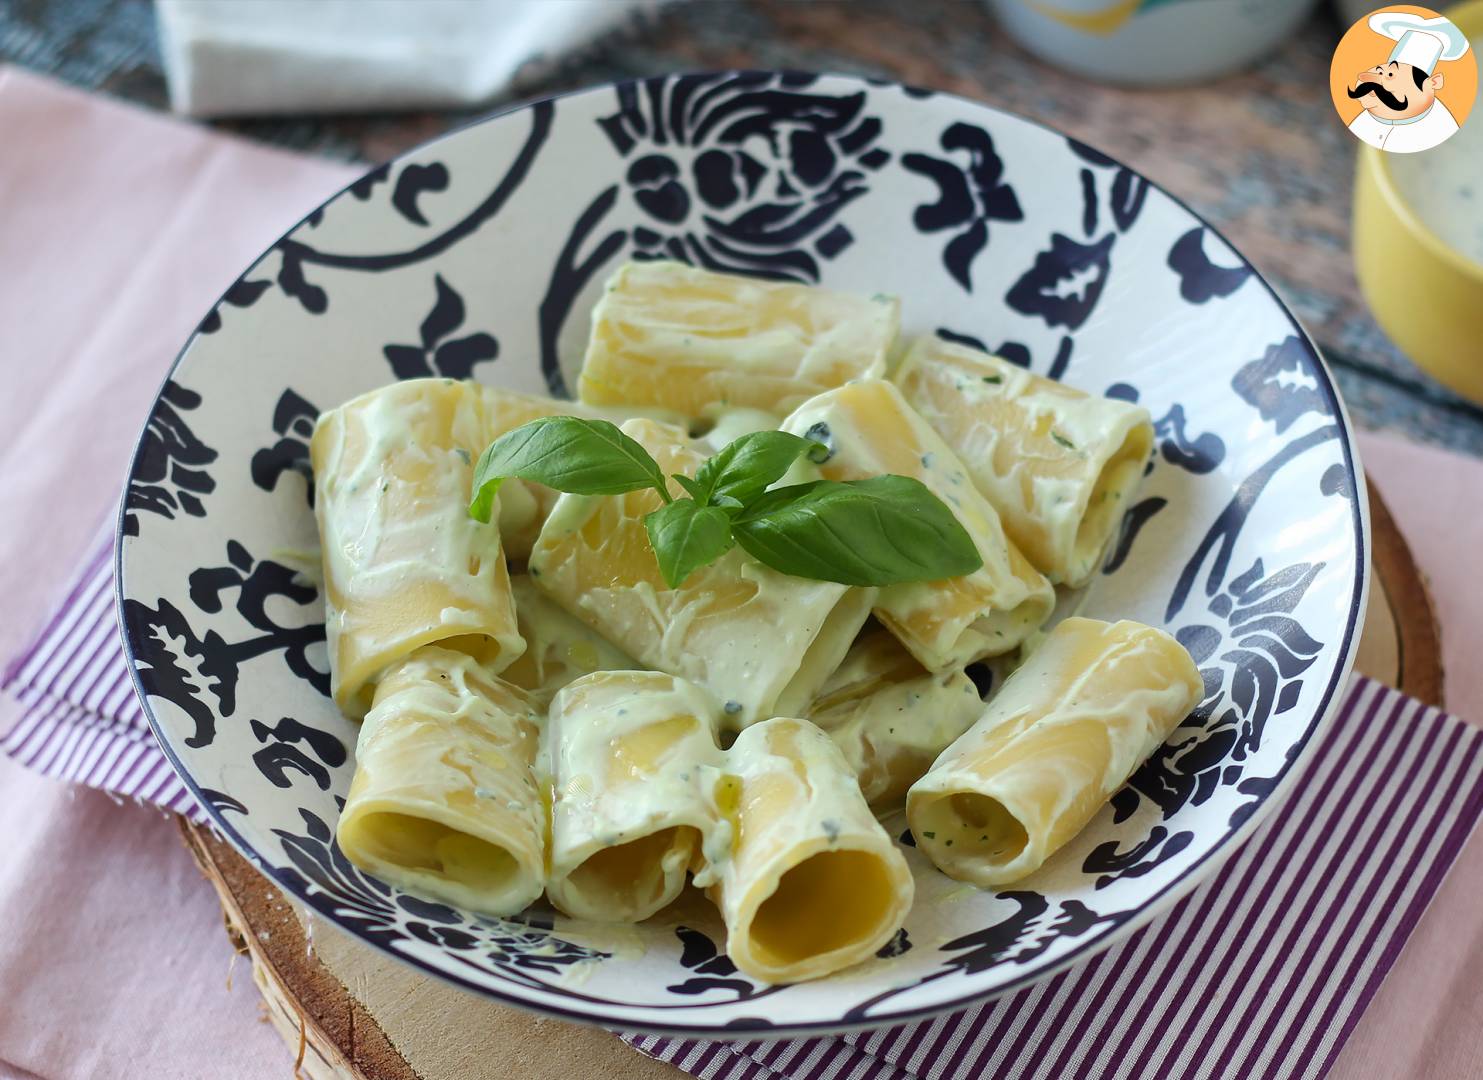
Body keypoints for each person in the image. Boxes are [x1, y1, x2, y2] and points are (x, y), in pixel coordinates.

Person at [1348, 11, 1471, 153]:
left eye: (1390, 75)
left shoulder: (1443, 125)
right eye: (1379, 71)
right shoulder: (1368, 115)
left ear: (1433, 83)